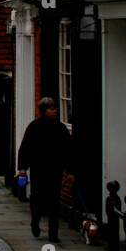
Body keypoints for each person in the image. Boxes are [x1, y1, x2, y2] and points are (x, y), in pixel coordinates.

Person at [17, 97, 74, 242]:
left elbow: (68, 151)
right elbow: (25, 148)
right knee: (37, 198)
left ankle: (53, 234)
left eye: (55, 108)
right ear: (43, 111)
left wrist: (70, 171)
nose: (55, 111)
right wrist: (22, 168)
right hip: (38, 169)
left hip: (55, 170)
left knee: (54, 201)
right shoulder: (34, 127)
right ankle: (35, 221)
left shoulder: (60, 129)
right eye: (51, 108)